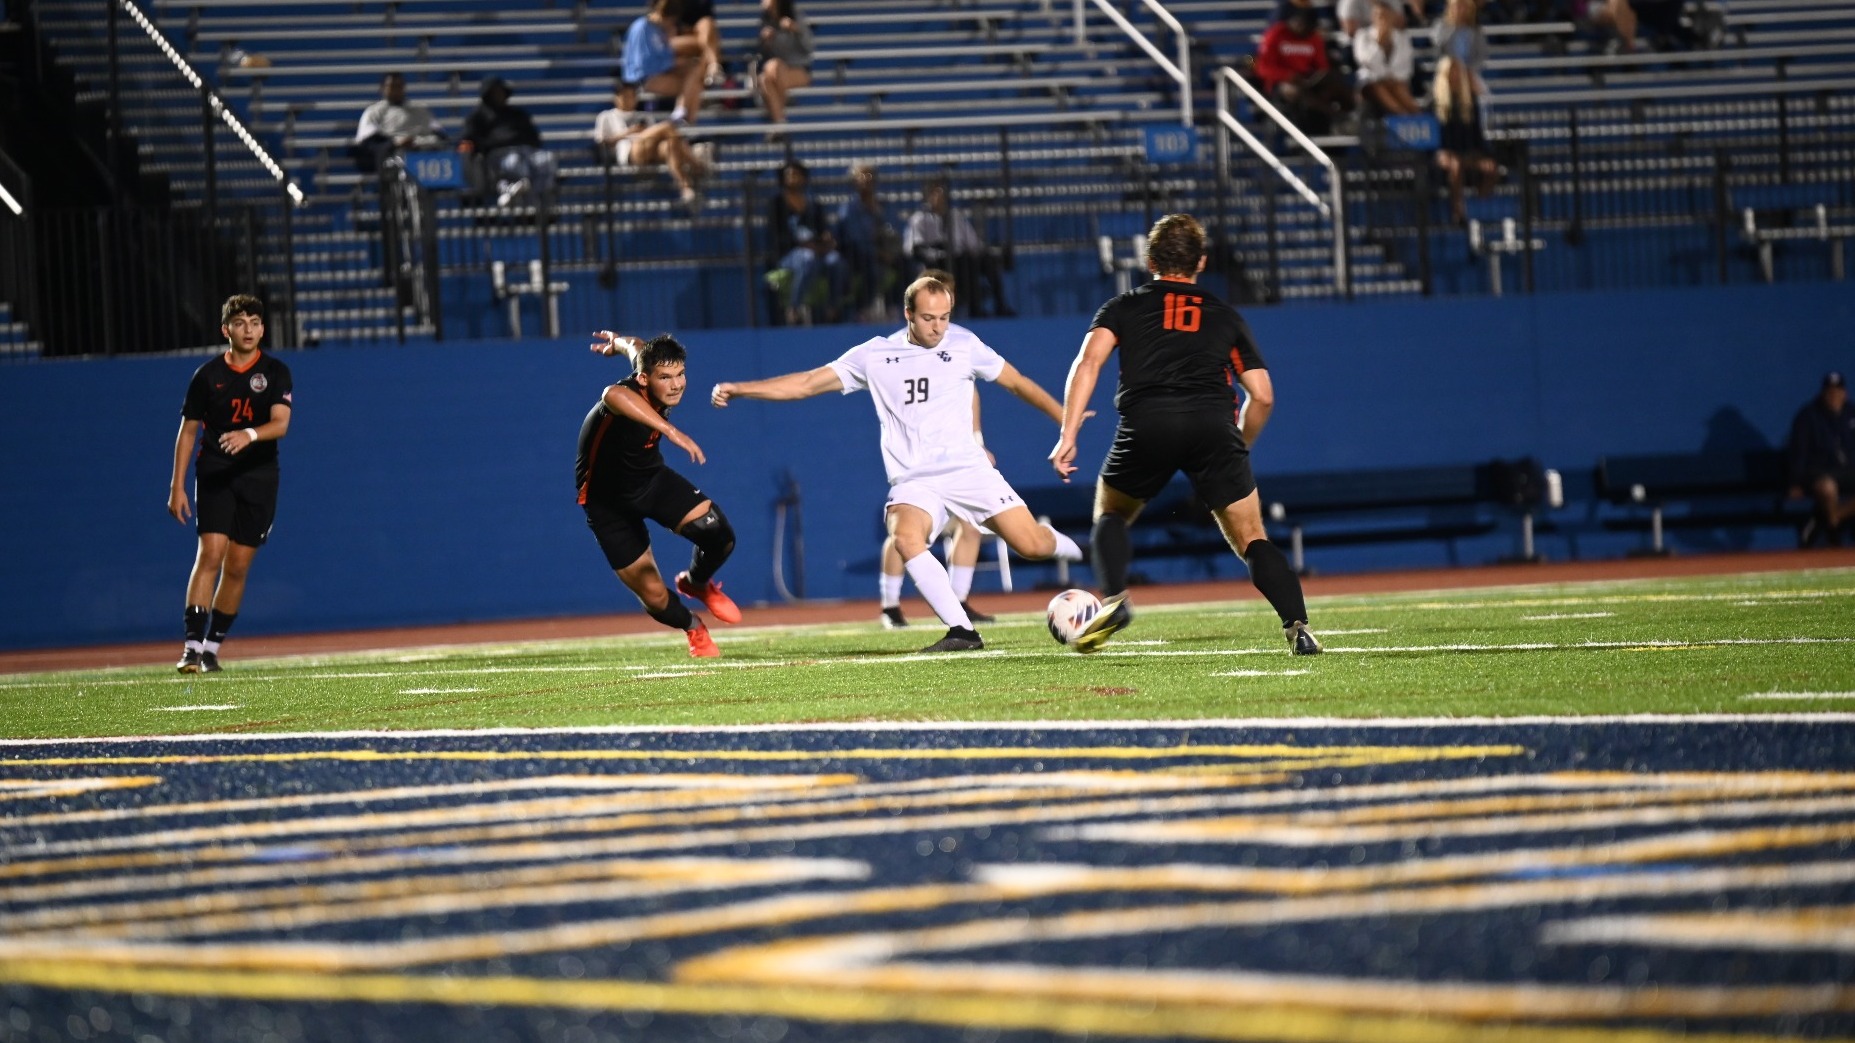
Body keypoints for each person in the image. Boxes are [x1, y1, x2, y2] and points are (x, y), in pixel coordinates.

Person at [711, 273, 1085, 652]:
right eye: (928, 318)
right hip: (914, 478)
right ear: (908, 313)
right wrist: (742, 390)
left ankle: (1074, 548)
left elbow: (1018, 382)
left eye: (945, 317)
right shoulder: (874, 355)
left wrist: (1065, 424)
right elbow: (807, 383)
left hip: (967, 470)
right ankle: (962, 631)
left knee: (1032, 544)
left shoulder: (965, 344)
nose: (938, 326)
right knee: (905, 536)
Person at [1048, 213, 1322, 657]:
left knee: (1111, 513)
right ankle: (1298, 627)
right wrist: (1239, 444)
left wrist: (1069, 432)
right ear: (1202, 262)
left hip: (1148, 422)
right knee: (1252, 535)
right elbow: (1263, 395)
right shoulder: (1224, 315)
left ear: (1149, 258)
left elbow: (1088, 364)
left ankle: (1115, 600)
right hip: (1213, 425)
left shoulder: (1123, 306)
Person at [581, 330, 743, 658]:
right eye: (665, 377)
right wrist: (671, 431)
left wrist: (620, 344)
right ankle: (694, 627)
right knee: (654, 597)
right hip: (607, 504)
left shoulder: (648, 363)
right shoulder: (623, 394)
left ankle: (696, 583)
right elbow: (613, 394)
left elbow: (636, 345)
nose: (676, 384)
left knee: (718, 532)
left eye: (680, 374)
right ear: (643, 378)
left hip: (650, 481)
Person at [167, 294, 294, 673]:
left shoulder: (275, 372)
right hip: (217, 473)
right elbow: (188, 431)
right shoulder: (207, 376)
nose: (249, 329)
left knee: (238, 566)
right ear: (226, 330)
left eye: (255, 323)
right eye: (240, 323)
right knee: (211, 553)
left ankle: (211, 648)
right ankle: (190, 646)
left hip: (259, 476)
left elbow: (281, 424)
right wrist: (176, 486)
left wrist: (249, 435)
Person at [593, 80, 715, 213]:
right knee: (668, 127)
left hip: (650, 151)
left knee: (669, 144)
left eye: (632, 95)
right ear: (616, 98)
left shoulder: (643, 116)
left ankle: (686, 189)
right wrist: (629, 132)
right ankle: (698, 166)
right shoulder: (606, 116)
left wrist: (644, 132)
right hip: (629, 152)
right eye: (624, 95)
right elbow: (601, 142)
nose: (629, 99)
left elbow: (656, 138)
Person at [904, 178, 1012, 319]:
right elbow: (913, 248)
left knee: (984, 261)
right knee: (963, 264)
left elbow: (973, 243)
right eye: (934, 193)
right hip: (936, 262)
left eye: (941, 192)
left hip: (960, 259)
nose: (939, 197)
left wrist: (986, 253)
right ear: (928, 196)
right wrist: (937, 253)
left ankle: (997, 305)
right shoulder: (919, 219)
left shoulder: (956, 216)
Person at [1254, 0, 1356, 135]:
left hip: (1308, 79)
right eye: (1300, 24)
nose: (1302, 28)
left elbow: (1322, 66)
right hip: (1281, 83)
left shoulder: (1314, 38)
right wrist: (1287, 75)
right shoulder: (1276, 34)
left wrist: (1316, 76)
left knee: (1335, 83)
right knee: (1293, 91)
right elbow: (1263, 67)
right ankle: (1334, 115)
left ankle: (1350, 117)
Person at [767, 158, 848, 325]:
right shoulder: (776, 203)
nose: (793, 178)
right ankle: (794, 307)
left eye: (797, 174)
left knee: (836, 261)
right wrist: (803, 245)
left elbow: (822, 228)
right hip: (789, 253)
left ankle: (833, 307)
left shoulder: (813, 203)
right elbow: (777, 233)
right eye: (789, 175)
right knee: (807, 258)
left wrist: (825, 239)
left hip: (816, 249)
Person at [459, 76, 558, 207]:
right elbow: (469, 139)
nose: (499, 95)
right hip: (499, 154)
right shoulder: (478, 116)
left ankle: (537, 204)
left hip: (526, 151)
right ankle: (519, 201)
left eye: (501, 92)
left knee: (547, 160)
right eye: (496, 92)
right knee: (515, 162)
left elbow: (534, 136)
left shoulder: (517, 113)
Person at [1788, 371, 1855, 548]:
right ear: (1823, 393)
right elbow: (1798, 452)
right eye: (1830, 391)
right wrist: (1795, 483)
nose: (1834, 395)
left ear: (1844, 393)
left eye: (1838, 391)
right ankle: (1833, 531)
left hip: (1847, 473)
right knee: (1828, 487)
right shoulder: (1808, 416)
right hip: (1818, 473)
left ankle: (1832, 520)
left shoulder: (1851, 414)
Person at [834, 161, 906, 323]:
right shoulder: (849, 208)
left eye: (870, 175)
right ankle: (864, 310)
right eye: (862, 175)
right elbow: (855, 239)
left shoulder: (883, 206)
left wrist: (891, 251)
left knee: (907, 265)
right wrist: (879, 253)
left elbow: (894, 230)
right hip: (857, 256)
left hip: (884, 253)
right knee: (871, 268)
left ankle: (895, 308)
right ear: (854, 180)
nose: (867, 179)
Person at [1433, 53, 1499, 225]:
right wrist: (1442, 154)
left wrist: (1484, 156)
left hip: (1467, 154)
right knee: (1455, 165)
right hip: (1443, 156)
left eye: (1457, 72)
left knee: (1491, 167)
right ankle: (1458, 212)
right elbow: (1434, 140)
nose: (1455, 76)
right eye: (1451, 72)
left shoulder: (1470, 104)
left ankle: (1480, 210)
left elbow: (1477, 137)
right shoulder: (1434, 104)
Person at [621, 0, 708, 126]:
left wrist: (678, 62)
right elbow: (644, 65)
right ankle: (684, 117)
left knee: (695, 71)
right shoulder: (642, 28)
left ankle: (682, 113)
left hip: (654, 74)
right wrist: (673, 63)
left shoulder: (656, 30)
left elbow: (663, 55)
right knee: (695, 85)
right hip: (642, 79)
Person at [351, 71, 445, 173]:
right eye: (392, 86)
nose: (396, 90)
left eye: (399, 86)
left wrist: (418, 142)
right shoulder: (374, 112)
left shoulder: (420, 109)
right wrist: (395, 143)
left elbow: (439, 134)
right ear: (382, 88)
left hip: (422, 151)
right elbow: (368, 142)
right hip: (392, 153)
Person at [1353, 1, 1422, 117]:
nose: (1383, 19)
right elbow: (1365, 61)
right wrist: (1379, 43)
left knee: (1398, 87)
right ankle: (1403, 115)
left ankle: (1417, 114)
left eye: (1386, 15)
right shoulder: (1362, 36)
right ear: (1373, 17)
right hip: (1370, 82)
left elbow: (1406, 65)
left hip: (1397, 81)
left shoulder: (1402, 38)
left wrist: (1393, 77)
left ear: (1392, 17)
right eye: (1379, 15)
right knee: (1380, 86)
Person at [756, 0, 814, 129]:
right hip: (774, 72)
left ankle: (777, 119)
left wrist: (796, 29)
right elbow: (762, 55)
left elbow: (809, 48)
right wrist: (765, 42)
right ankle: (780, 123)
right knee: (764, 77)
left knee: (774, 67)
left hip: (798, 70)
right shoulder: (765, 21)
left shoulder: (795, 15)